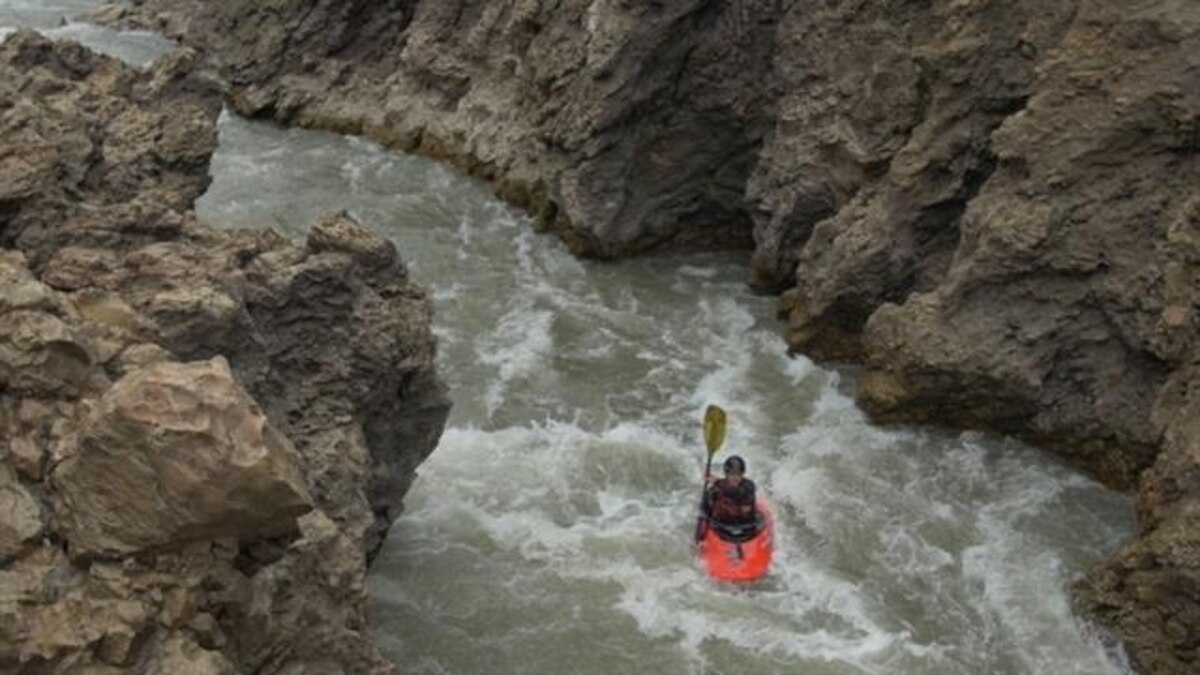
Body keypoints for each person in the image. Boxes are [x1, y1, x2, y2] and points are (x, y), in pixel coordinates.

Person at [702, 455, 757, 533]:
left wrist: (717, 482)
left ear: (742, 474)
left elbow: (737, 493)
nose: (735, 478)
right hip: (722, 526)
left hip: (746, 526)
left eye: (738, 474)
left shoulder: (749, 486)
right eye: (732, 474)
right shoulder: (715, 489)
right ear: (726, 474)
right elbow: (706, 512)